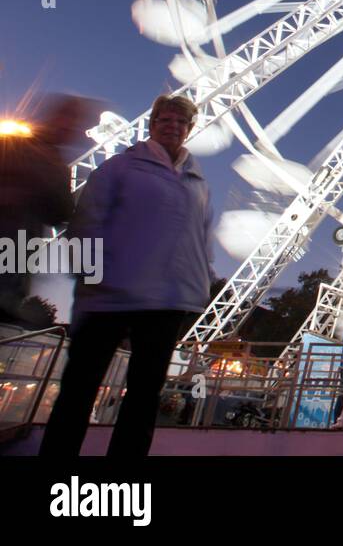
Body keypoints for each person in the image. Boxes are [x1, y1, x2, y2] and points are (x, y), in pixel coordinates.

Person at [39, 94, 217, 458]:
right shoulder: (119, 168)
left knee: (143, 397)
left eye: (180, 123)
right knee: (79, 390)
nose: (172, 127)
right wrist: (92, 275)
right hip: (110, 294)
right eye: (165, 120)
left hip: (165, 300)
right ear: (152, 125)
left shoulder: (197, 182)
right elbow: (87, 222)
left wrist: (198, 285)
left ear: (189, 130)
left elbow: (199, 239)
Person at [0, 96, 84, 326]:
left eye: (74, 122)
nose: (67, 126)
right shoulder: (12, 146)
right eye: (65, 117)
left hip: (14, 266)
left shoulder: (57, 166)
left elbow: (61, 212)